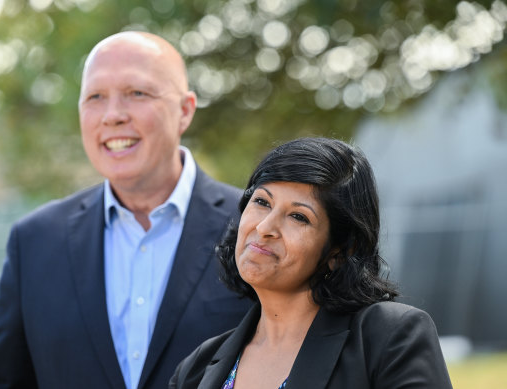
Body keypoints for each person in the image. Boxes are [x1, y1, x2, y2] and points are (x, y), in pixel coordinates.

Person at [0, 32, 252, 389]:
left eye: (137, 93)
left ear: (185, 110)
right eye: (95, 97)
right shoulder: (35, 241)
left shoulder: (253, 229)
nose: (113, 115)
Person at [170, 137, 453, 389]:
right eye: (262, 202)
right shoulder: (196, 369)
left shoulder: (389, 338)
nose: (265, 227)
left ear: (339, 251)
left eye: (298, 217)